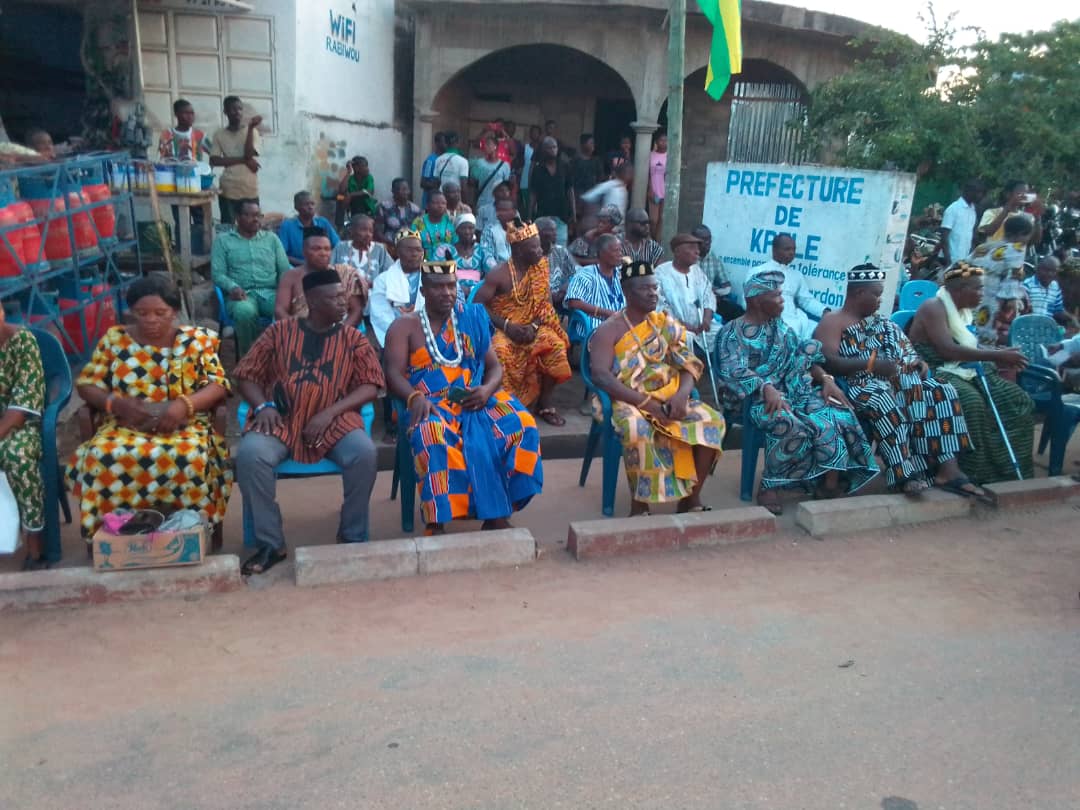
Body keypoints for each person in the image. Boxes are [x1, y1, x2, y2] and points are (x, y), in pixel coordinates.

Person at [234, 270, 384, 574]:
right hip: (281, 420)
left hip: (335, 421)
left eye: (344, 296)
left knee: (364, 454)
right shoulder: (279, 333)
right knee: (251, 455)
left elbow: (371, 385)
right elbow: (245, 375)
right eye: (336, 297)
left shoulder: (354, 339)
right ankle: (270, 543)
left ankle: (352, 535)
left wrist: (330, 412)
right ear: (313, 302)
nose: (344, 303)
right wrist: (262, 405)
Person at [384, 260, 543, 533]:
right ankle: (438, 518)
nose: (447, 293)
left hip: (474, 398)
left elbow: (494, 367)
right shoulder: (404, 327)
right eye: (438, 287)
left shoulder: (469, 318)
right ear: (423, 291)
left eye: (451, 286)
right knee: (432, 435)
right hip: (428, 402)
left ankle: (496, 513)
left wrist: (485, 390)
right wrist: (413, 398)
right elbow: (392, 374)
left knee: (522, 425)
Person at [67, 276, 232, 540]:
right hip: (125, 424)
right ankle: (112, 533)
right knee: (100, 454)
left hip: (185, 423)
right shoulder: (115, 340)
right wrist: (116, 404)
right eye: (141, 313)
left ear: (175, 312)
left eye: (160, 313)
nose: (151, 320)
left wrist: (184, 405)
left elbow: (218, 384)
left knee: (192, 456)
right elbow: (87, 384)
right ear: (131, 312)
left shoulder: (196, 340)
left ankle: (194, 531)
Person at [815, 266, 989, 501]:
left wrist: (917, 362)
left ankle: (948, 468)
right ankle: (903, 474)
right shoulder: (833, 322)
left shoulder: (881, 323)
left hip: (897, 381)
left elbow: (907, 351)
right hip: (857, 385)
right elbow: (827, 361)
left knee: (940, 390)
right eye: (876, 294)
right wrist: (871, 365)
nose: (880, 300)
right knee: (882, 397)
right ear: (858, 293)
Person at [716, 271, 878, 514]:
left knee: (837, 412)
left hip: (792, 389)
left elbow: (802, 356)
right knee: (788, 422)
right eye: (778, 296)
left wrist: (826, 379)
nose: (783, 301)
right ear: (758, 300)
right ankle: (770, 485)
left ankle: (828, 481)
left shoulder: (780, 327)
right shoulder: (733, 332)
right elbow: (733, 370)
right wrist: (765, 387)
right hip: (750, 399)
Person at [588, 260, 726, 515]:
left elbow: (689, 362)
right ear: (628, 293)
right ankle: (639, 504)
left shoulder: (664, 323)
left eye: (655, 288)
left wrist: (682, 396)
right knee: (636, 428)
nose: (654, 294)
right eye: (646, 289)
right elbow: (601, 376)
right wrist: (646, 404)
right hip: (625, 399)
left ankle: (690, 499)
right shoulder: (609, 330)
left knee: (712, 421)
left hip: (670, 396)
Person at [907, 261, 1034, 483]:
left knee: (1017, 400)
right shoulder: (933, 307)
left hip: (963, 367)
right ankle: (972, 472)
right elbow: (947, 350)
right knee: (971, 401)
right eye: (977, 288)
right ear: (959, 290)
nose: (982, 294)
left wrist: (998, 351)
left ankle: (1005, 470)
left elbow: (969, 346)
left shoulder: (964, 312)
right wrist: (997, 356)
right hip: (932, 370)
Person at [474, 218, 572, 424]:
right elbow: (477, 304)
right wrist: (509, 327)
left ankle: (544, 404)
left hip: (534, 325)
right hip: (503, 327)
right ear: (518, 251)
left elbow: (546, 304)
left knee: (555, 345)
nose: (540, 250)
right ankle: (506, 406)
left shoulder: (540, 268)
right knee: (499, 350)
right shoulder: (499, 274)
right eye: (534, 247)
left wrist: (534, 326)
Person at [211, 199, 290, 356]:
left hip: (270, 293)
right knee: (245, 312)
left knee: (289, 308)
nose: (256, 219)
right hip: (241, 294)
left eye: (258, 215)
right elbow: (217, 273)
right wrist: (232, 287)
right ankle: (249, 361)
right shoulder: (223, 241)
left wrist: (284, 294)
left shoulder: (271, 239)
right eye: (250, 215)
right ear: (238, 217)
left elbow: (285, 270)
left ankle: (283, 357)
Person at [0, 303, 47, 569]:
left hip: (20, 425)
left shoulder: (21, 342)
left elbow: (20, 409)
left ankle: (34, 544)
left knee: (16, 455)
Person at [738, 234, 826, 340]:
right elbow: (745, 302)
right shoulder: (758, 271)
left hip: (796, 319)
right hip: (769, 320)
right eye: (787, 249)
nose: (791, 253)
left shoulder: (796, 275)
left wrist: (825, 311)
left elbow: (806, 300)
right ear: (774, 250)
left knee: (823, 332)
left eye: (793, 249)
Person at [275, 227, 366, 328]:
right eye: (316, 249)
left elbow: (356, 310)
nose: (323, 253)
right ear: (304, 251)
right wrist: (302, 332)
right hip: (301, 332)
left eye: (327, 249)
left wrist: (338, 333)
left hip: (340, 332)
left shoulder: (344, 273)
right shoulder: (290, 276)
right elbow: (280, 310)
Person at [967, 214, 1034, 343]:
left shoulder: (984, 247)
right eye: (1028, 235)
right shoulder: (1017, 249)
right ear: (1021, 234)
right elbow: (1012, 283)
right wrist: (1012, 304)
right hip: (990, 297)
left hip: (969, 293)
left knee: (969, 328)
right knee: (985, 335)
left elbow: (962, 266)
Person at [158, 99, 211, 256]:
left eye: (192, 113)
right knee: (181, 221)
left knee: (201, 220)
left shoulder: (199, 135)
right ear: (177, 114)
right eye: (186, 113)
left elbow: (215, 153)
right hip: (177, 186)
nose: (190, 116)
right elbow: (163, 159)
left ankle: (201, 252)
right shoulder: (167, 135)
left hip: (198, 186)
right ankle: (183, 254)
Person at [655, 233, 719, 353]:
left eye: (697, 248)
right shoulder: (661, 273)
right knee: (683, 337)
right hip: (674, 326)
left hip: (701, 327)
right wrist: (687, 326)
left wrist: (706, 319)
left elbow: (708, 296)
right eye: (691, 248)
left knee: (722, 333)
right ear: (677, 251)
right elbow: (660, 307)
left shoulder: (697, 271)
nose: (697, 252)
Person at [370, 229, 427, 350]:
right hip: (397, 338)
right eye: (409, 250)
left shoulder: (433, 276)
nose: (415, 254)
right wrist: (402, 335)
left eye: (418, 250)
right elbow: (380, 315)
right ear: (397, 252)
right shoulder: (383, 280)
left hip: (429, 335)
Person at [209, 96, 261, 225]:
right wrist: (243, 160)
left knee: (252, 226)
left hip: (249, 188)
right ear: (225, 112)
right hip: (228, 189)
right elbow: (215, 160)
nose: (237, 112)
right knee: (228, 227)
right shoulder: (219, 134)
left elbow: (249, 155)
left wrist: (250, 129)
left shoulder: (252, 132)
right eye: (232, 109)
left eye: (239, 109)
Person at [565, 233, 626, 330]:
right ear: (602, 253)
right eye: (615, 251)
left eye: (620, 250)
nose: (620, 254)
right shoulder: (585, 274)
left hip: (623, 324)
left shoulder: (622, 274)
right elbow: (574, 302)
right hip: (595, 326)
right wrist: (607, 313)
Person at [434, 213, 494, 298]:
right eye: (463, 228)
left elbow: (493, 271)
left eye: (470, 228)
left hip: (477, 295)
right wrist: (457, 288)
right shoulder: (445, 250)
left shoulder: (482, 250)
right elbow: (436, 273)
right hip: (451, 294)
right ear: (457, 231)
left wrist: (475, 289)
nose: (467, 232)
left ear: (474, 230)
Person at [529, 137, 574, 245]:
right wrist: (529, 216)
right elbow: (533, 193)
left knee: (561, 246)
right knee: (543, 246)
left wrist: (573, 214)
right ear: (543, 150)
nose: (552, 150)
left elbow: (570, 190)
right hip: (543, 214)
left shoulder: (565, 166)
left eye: (554, 147)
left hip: (561, 215)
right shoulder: (538, 169)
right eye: (549, 148)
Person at [693, 224, 742, 321]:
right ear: (694, 240)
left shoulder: (713, 258)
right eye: (704, 239)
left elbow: (727, 285)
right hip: (694, 302)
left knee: (738, 312)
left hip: (713, 301)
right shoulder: (688, 259)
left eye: (709, 239)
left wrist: (717, 292)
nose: (708, 243)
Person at [278, 191, 340, 266]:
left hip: (323, 266)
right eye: (306, 204)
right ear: (297, 207)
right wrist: (306, 265)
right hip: (297, 267)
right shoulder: (287, 226)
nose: (310, 207)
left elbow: (337, 246)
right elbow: (282, 255)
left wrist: (326, 261)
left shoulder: (323, 223)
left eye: (312, 204)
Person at [331, 214, 392, 282]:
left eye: (371, 231)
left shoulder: (379, 249)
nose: (368, 234)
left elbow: (391, 273)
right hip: (344, 291)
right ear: (351, 231)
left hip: (373, 291)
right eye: (364, 230)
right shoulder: (340, 247)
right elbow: (330, 270)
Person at [978, 180, 1041, 246]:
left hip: (1016, 255)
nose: (1025, 196)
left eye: (1027, 193)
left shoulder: (1028, 217)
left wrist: (1038, 218)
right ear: (1007, 194)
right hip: (993, 254)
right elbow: (987, 232)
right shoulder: (992, 212)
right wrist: (1007, 208)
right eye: (1021, 192)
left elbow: (1034, 241)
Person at [936, 180, 983, 266]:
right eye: (978, 193)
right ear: (969, 191)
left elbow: (970, 237)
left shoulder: (973, 211)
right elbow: (944, 237)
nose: (980, 196)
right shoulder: (953, 209)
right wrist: (948, 261)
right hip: (949, 259)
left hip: (963, 261)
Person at [470, 135, 511, 231]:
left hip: (499, 205)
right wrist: (474, 204)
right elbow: (474, 185)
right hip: (482, 203)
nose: (486, 147)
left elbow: (506, 187)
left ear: (495, 146)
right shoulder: (479, 163)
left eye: (489, 144)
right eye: (485, 145)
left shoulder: (504, 166)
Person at [536, 216, 576, 307]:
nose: (555, 233)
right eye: (551, 230)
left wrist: (564, 288)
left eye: (555, 230)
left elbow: (573, 274)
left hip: (560, 297)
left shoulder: (561, 251)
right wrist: (549, 295)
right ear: (539, 232)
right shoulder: (531, 254)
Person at [374, 178, 422, 249]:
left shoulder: (416, 210)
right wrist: (392, 244)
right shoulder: (383, 207)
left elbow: (420, 231)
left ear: (409, 191)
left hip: (410, 246)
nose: (400, 192)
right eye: (397, 189)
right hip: (389, 245)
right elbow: (378, 232)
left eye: (404, 189)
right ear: (392, 191)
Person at [411, 190, 456, 260]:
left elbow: (456, 243)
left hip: (448, 263)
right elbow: (413, 246)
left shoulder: (450, 221)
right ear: (427, 205)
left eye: (443, 203)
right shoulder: (418, 223)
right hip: (424, 264)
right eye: (436, 203)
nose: (440, 206)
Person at [571, 134, 604, 220]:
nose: (593, 145)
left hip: (591, 198)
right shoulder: (575, 161)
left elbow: (600, 179)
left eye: (593, 143)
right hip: (578, 196)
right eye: (591, 143)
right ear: (583, 144)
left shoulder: (597, 161)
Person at [1023, 255, 1065, 319]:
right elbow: (1022, 312)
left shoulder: (1056, 287)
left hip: (1047, 327)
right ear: (1038, 269)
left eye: (1054, 271)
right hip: (1029, 326)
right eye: (1047, 270)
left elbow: (1058, 311)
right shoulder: (1027, 285)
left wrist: (1072, 318)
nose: (1050, 273)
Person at [432, 132, 470, 200]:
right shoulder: (463, 161)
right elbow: (463, 187)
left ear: (445, 143)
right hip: (456, 200)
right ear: (458, 143)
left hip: (442, 199)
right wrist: (465, 204)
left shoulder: (438, 160)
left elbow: (435, 184)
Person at [337, 155, 377, 219]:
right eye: (365, 166)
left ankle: (354, 219)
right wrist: (349, 172)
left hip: (367, 209)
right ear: (356, 168)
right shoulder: (350, 179)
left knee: (357, 198)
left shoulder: (369, 178)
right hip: (353, 206)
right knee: (339, 197)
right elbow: (341, 190)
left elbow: (368, 192)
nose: (367, 169)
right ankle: (341, 224)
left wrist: (351, 195)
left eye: (367, 166)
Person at [480, 197, 517, 266]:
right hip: (499, 271)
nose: (500, 213)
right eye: (498, 210)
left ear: (514, 212)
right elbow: (487, 256)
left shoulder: (521, 229)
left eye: (504, 210)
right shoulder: (490, 230)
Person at [517, 125, 542, 213]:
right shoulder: (525, 148)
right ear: (530, 134)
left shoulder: (543, 149)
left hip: (539, 184)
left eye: (536, 132)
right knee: (527, 208)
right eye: (533, 132)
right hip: (525, 182)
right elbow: (519, 164)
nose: (534, 134)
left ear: (540, 134)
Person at [648, 132, 668, 237]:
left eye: (666, 141)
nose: (664, 143)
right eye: (661, 140)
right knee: (653, 220)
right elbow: (647, 173)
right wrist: (650, 189)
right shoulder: (651, 155)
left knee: (662, 219)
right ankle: (653, 238)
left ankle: (657, 242)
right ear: (656, 142)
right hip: (654, 190)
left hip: (666, 191)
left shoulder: (670, 156)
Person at [418, 131, 445, 209]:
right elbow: (423, 183)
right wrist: (439, 184)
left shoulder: (445, 159)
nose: (446, 145)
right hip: (430, 204)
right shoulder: (431, 161)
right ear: (437, 143)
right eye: (443, 142)